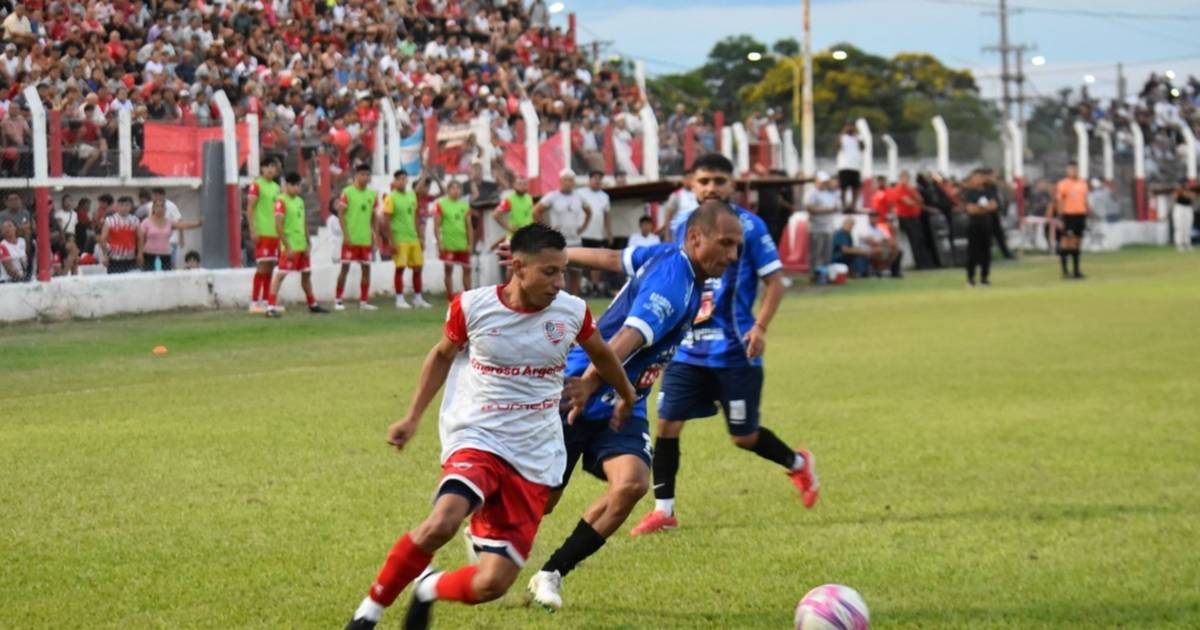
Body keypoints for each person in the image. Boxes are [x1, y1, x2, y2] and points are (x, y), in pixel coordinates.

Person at [341, 224, 637, 630]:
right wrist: (412, 416)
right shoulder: (473, 307)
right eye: (549, 272)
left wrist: (627, 394)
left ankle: (428, 587)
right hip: (477, 435)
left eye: (563, 271)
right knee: (444, 520)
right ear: (517, 267)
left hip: (535, 453)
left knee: (492, 584)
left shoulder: (571, 312)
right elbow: (442, 355)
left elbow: (602, 354)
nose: (559, 282)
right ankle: (367, 614)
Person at [527, 199, 744, 610]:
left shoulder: (671, 257)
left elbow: (612, 257)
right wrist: (591, 383)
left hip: (625, 401)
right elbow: (628, 338)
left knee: (630, 484)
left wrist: (556, 255)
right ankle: (486, 529)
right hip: (582, 389)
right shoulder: (673, 283)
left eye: (738, 247)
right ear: (696, 238)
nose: (732, 256)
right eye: (726, 244)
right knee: (543, 501)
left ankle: (551, 572)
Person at [624, 152, 817, 540]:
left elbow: (776, 281)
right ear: (691, 186)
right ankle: (665, 511)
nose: (711, 188)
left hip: (734, 350)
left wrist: (760, 327)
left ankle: (798, 463)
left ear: (733, 185)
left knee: (743, 436)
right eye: (704, 181)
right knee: (668, 424)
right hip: (687, 349)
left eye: (719, 181)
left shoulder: (750, 226)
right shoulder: (681, 224)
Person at [266, 173, 330, 317]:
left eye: (298, 185)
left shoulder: (300, 201)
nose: (297, 188)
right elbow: (278, 226)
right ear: (287, 185)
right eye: (294, 185)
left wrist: (308, 242)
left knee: (307, 274)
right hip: (290, 246)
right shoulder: (281, 201)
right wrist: (287, 246)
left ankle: (312, 304)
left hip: (302, 245)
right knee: (280, 275)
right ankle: (270, 307)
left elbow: (303, 223)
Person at [533, 169, 592, 296]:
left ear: (574, 182)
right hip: (558, 242)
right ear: (560, 181)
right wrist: (546, 230)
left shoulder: (579, 197)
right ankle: (558, 298)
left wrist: (583, 227)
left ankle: (575, 299)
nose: (568, 183)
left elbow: (589, 211)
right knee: (557, 271)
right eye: (565, 180)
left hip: (575, 240)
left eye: (571, 180)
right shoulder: (552, 196)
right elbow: (536, 211)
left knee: (576, 272)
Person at [383, 170, 432, 310]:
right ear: (395, 182)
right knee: (400, 268)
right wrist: (391, 240)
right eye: (400, 179)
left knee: (418, 267)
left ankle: (418, 298)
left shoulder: (412, 196)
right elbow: (386, 221)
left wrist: (420, 236)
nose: (403, 181)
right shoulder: (391, 198)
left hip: (413, 238)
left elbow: (415, 217)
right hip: (400, 238)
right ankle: (399, 298)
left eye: (405, 179)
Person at [335, 164, 381, 310]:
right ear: (356, 175)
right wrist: (346, 234)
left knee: (366, 269)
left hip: (365, 239)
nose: (365, 178)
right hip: (350, 239)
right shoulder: (347, 192)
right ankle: (338, 300)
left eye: (367, 175)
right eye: (362, 174)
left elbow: (374, 217)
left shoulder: (372, 194)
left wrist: (375, 236)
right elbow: (340, 214)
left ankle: (364, 301)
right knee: (345, 268)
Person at [246, 159, 282, 313]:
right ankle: (254, 301)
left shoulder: (276, 188)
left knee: (270, 267)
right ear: (262, 168)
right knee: (261, 267)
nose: (270, 169)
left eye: (273, 166)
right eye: (268, 166)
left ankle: (267, 300)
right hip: (263, 232)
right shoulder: (257, 185)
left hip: (275, 233)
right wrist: (253, 230)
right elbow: (249, 208)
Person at [1048, 162, 1088, 280]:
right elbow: (1059, 201)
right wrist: (1060, 216)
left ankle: (1076, 271)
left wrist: (1089, 211)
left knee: (1077, 242)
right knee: (1066, 242)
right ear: (1067, 171)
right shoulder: (1063, 184)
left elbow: (1084, 200)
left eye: (1075, 169)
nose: (1074, 172)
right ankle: (1065, 271)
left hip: (1080, 215)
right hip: (1068, 215)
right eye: (1071, 169)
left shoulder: (1082, 183)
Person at [435, 180, 474, 299]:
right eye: (453, 188)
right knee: (448, 270)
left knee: (467, 270)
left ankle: (468, 297)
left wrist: (470, 243)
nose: (456, 190)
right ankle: (450, 298)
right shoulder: (441, 205)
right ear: (448, 190)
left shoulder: (464, 206)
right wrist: (439, 242)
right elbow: (436, 225)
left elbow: (469, 226)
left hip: (463, 244)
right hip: (449, 244)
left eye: (458, 188)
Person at [576, 170, 613, 296]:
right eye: (595, 178)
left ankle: (595, 286)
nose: (597, 181)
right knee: (579, 260)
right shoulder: (580, 193)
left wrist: (609, 233)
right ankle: (580, 285)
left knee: (595, 262)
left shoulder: (604, 196)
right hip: (582, 233)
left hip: (597, 234)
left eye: (599, 179)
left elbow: (607, 216)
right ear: (589, 179)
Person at [137, 199, 201, 271]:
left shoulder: (169, 222)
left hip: (165, 255)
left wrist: (196, 224)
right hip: (149, 254)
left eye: (162, 206)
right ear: (153, 208)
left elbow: (182, 225)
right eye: (158, 206)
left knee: (166, 277)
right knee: (149, 277)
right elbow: (141, 238)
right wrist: (140, 253)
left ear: (165, 209)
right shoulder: (146, 222)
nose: (160, 208)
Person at [959, 169, 997, 287]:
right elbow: (971, 210)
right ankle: (970, 278)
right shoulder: (968, 193)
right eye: (976, 178)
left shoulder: (989, 191)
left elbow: (994, 206)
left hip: (986, 224)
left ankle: (984, 277)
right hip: (974, 225)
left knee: (986, 251)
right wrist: (984, 208)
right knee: (973, 252)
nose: (979, 180)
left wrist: (981, 208)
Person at [891, 171, 933, 270]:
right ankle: (920, 264)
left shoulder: (910, 189)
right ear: (900, 178)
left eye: (907, 178)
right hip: (906, 218)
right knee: (915, 240)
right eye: (904, 178)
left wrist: (912, 193)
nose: (906, 180)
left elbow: (921, 199)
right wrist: (916, 201)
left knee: (919, 240)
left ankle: (925, 262)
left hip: (914, 217)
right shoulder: (899, 189)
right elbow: (908, 202)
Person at [804, 171, 839, 279]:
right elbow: (810, 208)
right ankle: (813, 273)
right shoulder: (812, 193)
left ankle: (825, 274)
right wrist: (827, 210)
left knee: (827, 253)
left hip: (828, 227)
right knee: (816, 252)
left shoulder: (829, 193)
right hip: (816, 227)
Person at [98, 196, 141, 274]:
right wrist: (105, 255)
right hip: (114, 259)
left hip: (131, 259)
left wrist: (140, 254)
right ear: (117, 206)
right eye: (121, 205)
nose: (124, 208)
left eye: (127, 205)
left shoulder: (135, 220)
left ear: (130, 206)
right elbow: (102, 239)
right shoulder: (110, 220)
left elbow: (140, 238)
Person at [835, 123, 863, 211]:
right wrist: (842, 133)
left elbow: (863, 147)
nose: (850, 128)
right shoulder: (842, 137)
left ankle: (853, 206)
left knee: (856, 188)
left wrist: (858, 135)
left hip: (855, 167)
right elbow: (837, 146)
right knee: (843, 188)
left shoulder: (857, 138)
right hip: (844, 166)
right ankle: (843, 205)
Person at [1171, 180, 1195, 252]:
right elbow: (1174, 196)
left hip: (1188, 208)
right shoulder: (1178, 190)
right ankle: (1179, 244)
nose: (1186, 185)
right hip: (1179, 208)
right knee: (1179, 226)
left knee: (1188, 226)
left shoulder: (1189, 191)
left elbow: (1192, 197)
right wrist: (1180, 191)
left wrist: (1187, 193)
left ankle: (1187, 243)